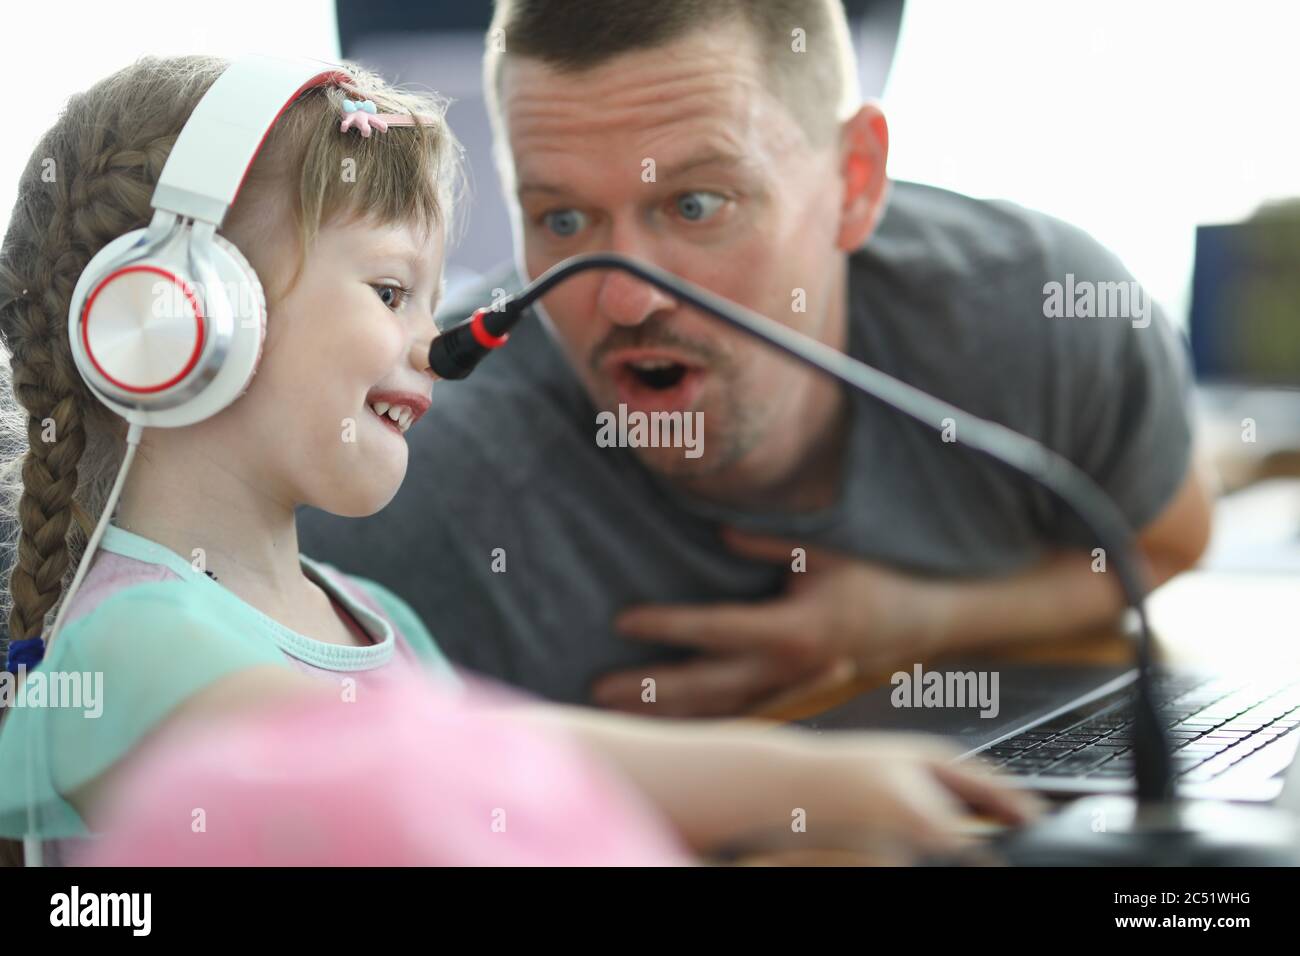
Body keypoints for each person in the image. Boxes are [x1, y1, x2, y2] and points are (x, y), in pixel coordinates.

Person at [0, 54, 1037, 867]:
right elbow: (442, 764)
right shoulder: (130, 643)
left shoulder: (373, 618)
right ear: (178, 313)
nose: (433, 341)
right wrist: (804, 781)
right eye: (392, 291)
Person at [300, 0, 1214, 715]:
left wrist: (918, 622)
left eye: (697, 206)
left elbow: (1169, 538)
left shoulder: (1040, 309)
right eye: (563, 220)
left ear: (855, 181)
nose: (624, 297)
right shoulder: (419, 479)